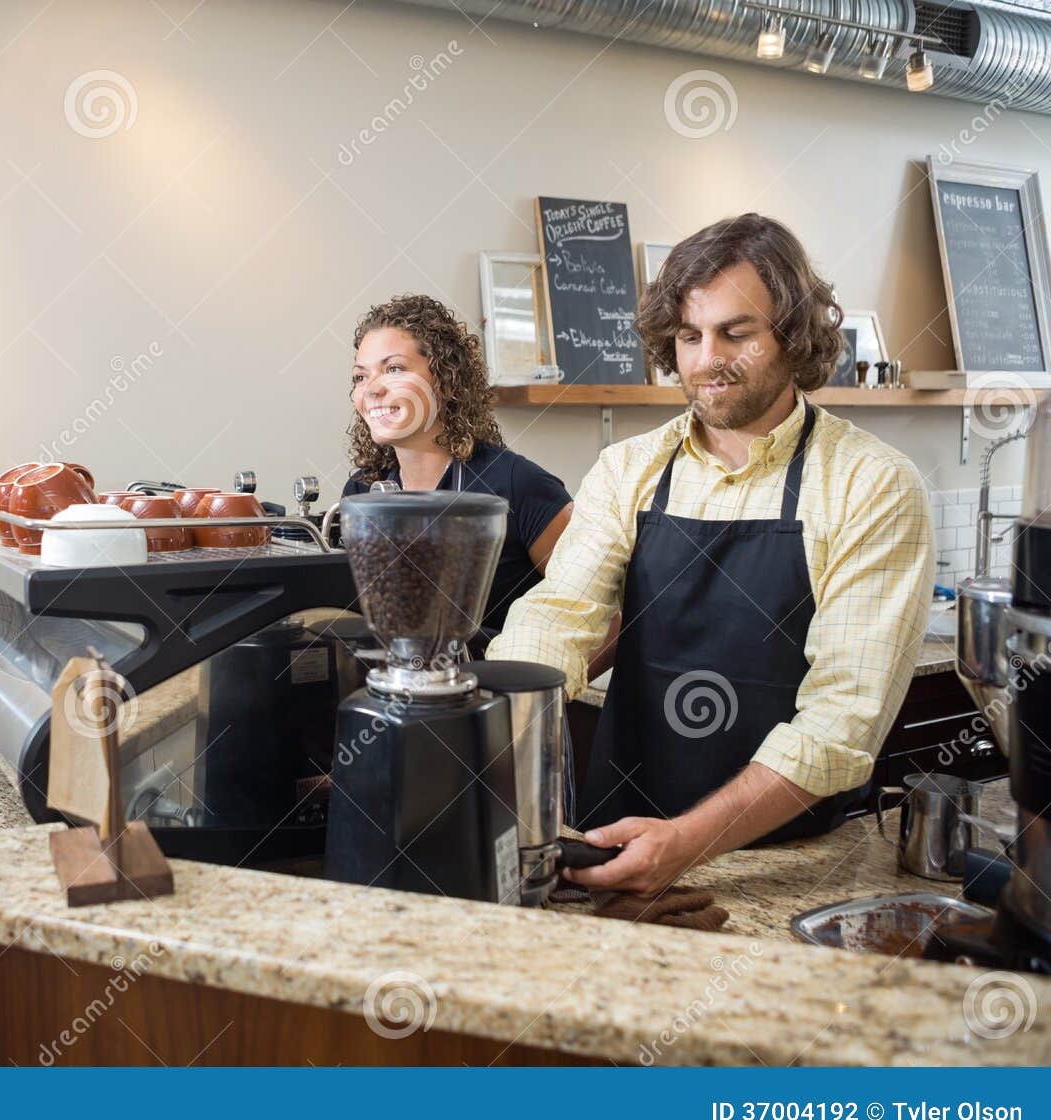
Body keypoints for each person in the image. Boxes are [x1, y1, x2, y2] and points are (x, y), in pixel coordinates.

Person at [488, 214, 934, 895]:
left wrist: (688, 841)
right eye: (689, 335)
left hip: (789, 864)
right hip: (619, 840)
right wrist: (497, 722)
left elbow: (843, 719)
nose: (704, 360)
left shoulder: (871, 483)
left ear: (791, 333)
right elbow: (559, 614)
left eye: (736, 332)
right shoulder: (628, 468)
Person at [342, 294, 582, 648]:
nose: (372, 389)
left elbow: (603, 617)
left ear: (446, 380)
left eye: (394, 369)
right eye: (361, 376)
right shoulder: (361, 491)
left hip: (489, 695)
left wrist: (529, 695)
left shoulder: (520, 485)